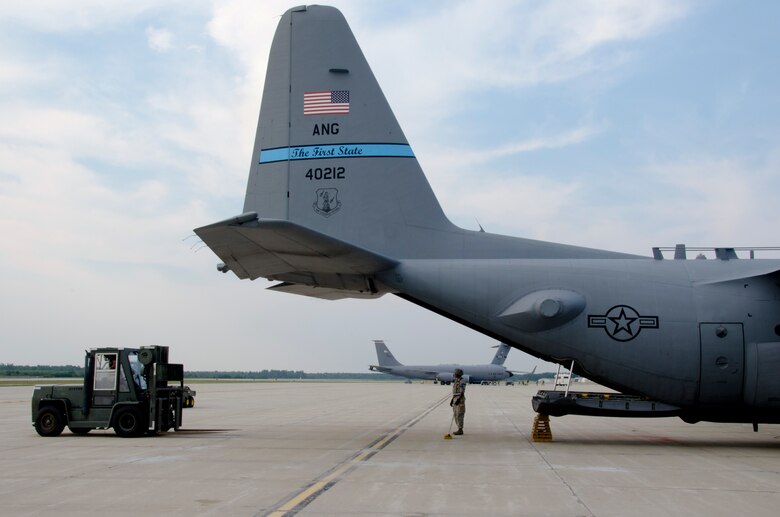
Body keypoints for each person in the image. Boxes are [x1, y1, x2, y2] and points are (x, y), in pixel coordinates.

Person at [450, 368, 466, 435]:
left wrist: (459, 400)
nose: (454, 374)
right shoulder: (456, 380)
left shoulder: (462, 381)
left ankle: (460, 429)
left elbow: (462, 392)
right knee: (455, 414)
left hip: (460, 400)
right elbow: (455, 391)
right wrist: (452, 400)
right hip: (455, 399)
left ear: (458, 374)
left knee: (460, 414)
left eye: (455, 373)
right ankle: (458, 428)